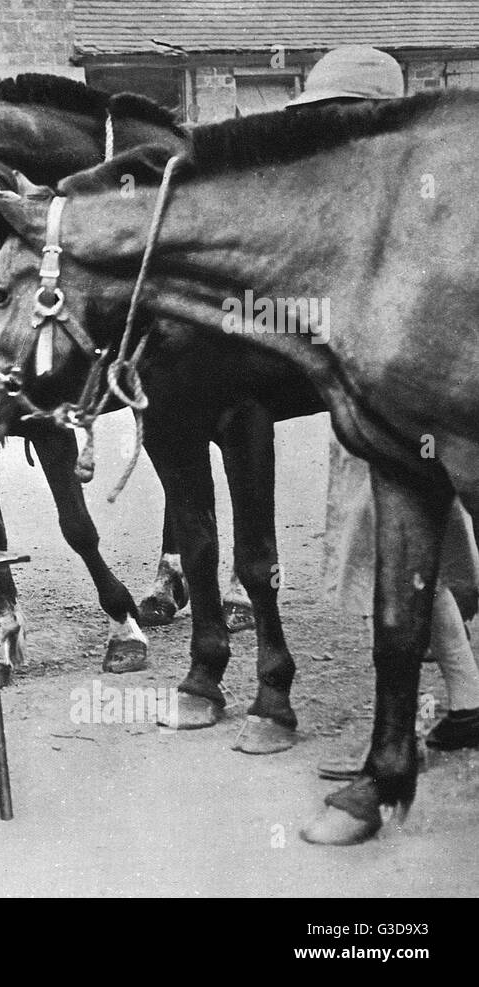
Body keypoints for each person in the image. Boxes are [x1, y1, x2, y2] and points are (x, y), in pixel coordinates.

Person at [301, 49, 479, 777]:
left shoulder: (409, 181)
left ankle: (435, 717)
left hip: (407, 402)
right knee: (413, 548)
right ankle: (463, 697)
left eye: (333, 112)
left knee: (394, 550)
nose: (324, 127)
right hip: (383, 397)